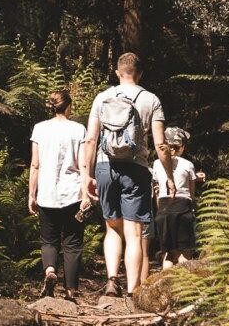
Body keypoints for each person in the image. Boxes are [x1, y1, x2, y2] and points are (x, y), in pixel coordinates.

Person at [80, 52, 169, 298]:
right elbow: (161, 145)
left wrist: (86, 175)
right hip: (137, 168)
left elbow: (90, 139)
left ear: (118, 72)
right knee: (134, 233)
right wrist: (168, 174)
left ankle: (111, 282)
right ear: (140, 73)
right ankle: (131, 290)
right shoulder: (151, 99)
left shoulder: (102, 97)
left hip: (105, 166)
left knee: (112, 229)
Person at [29, 89, 88, 297]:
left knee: (48, 240)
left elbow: (35, 164)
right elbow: (83, 164)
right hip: (73, 193)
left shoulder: (39, 129)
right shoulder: (79, 129)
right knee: (72, 243)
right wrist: (86, 194)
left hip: (46, 193)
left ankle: (50, 270)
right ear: (68, 106)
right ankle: (71, 290)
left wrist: (31, 194)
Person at [150, 126, 203, 268]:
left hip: (163, 208)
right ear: (182, 147)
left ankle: (166, 284)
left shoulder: (156, 164)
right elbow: (191, 193)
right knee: (184, 253)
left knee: (168, 253)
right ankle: (187, 284)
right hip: (182, 206)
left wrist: (159, 210)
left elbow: (156, 191)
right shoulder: (188, 164)